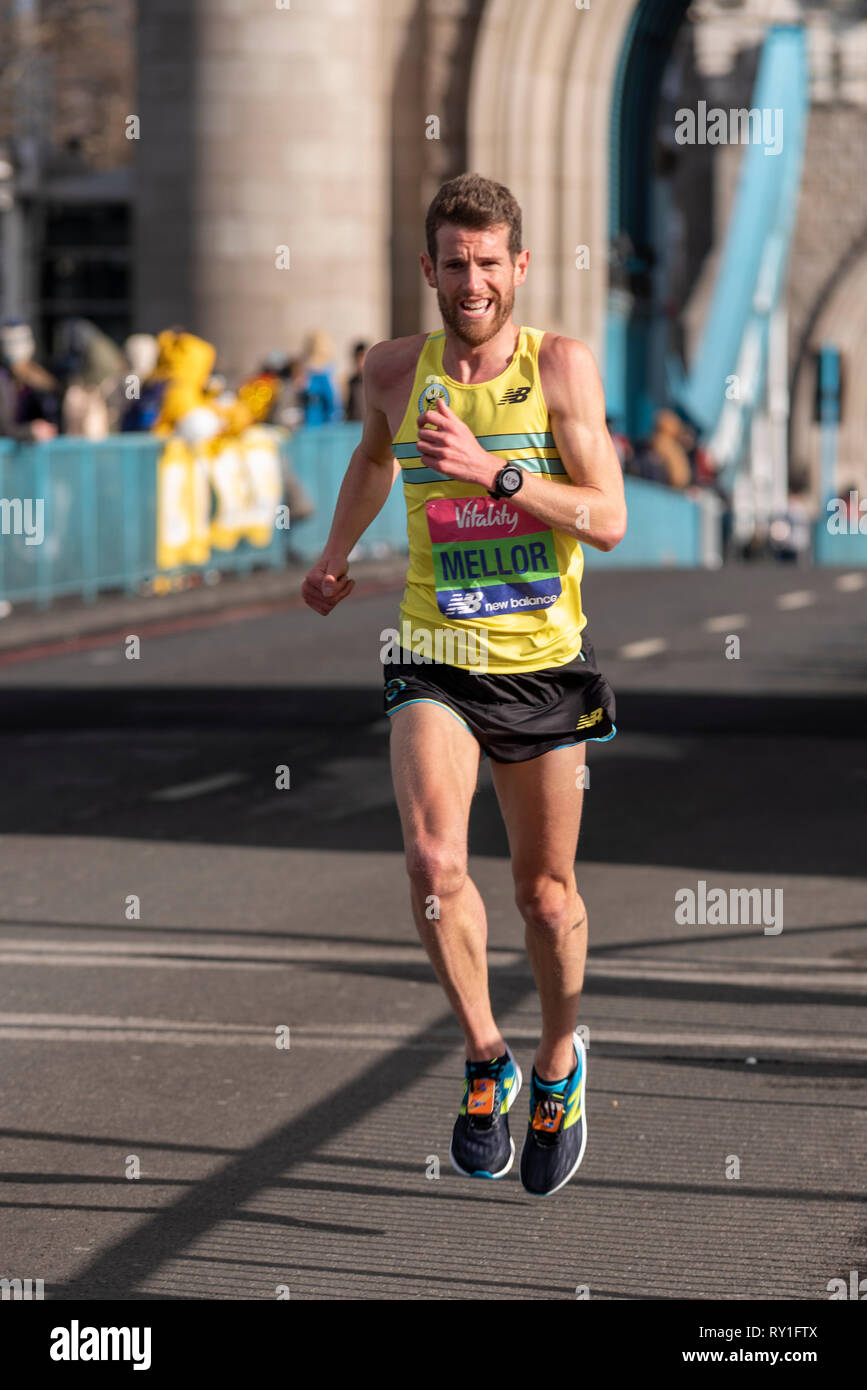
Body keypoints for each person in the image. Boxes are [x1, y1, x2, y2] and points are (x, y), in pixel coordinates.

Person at [302, 172, 626, 1197]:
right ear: (431, 270)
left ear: (520, 267)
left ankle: (561, 1059)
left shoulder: (561, 368)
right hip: (435, 651)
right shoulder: (394, 369)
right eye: (456, 263)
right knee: (435, 860)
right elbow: (371, 459)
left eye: (491, 263)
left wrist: (496, 472)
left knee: (543, 895)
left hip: (543, 664)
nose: (473, 280)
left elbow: (609, 517)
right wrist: (335, 551)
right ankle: (487, 1055)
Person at [345, 340, 368, 422]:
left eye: (362, 356)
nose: (360, 361)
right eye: (358, 357)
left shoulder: (373, 382)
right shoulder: (351, 382)